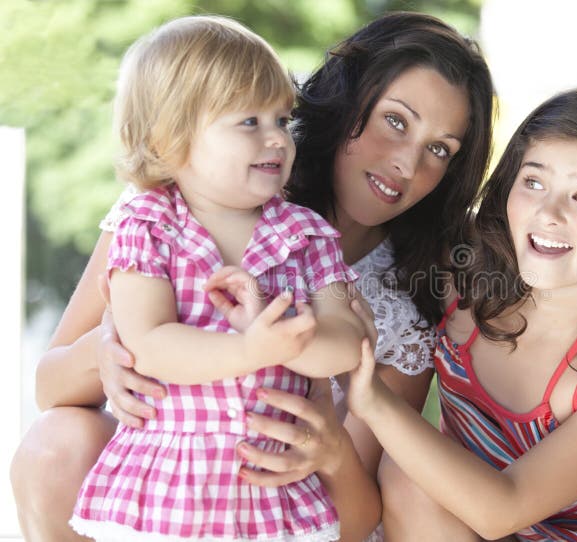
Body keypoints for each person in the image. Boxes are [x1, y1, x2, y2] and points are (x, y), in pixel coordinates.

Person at [10, 11, 494, 542]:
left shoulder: (402, 300)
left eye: (440, 150)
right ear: (346, 103)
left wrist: (333, 454)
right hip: (166, 483)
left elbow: (357, 524)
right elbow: (48, 388)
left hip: (281, 517)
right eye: (396, 121)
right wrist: (110, 350)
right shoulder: (169, 205)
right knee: (57, 440)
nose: (407, 164)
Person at [345, 86, 577, 541]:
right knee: (409, 478)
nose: (548, 212)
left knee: (410, 466)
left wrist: (373, 399)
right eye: (533, 182)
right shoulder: (463, 271)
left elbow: (502, 509)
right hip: (465, 512)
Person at [66, 15, 370, 541]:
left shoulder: (308, 234)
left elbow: (346, 341)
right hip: (170, 485)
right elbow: (151, 344)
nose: (277, 138)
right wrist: (251, 350)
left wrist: (289, 344)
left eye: (282, 119)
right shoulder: (148, 224)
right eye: (249, 122)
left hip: (272, 488)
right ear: (172, 137)